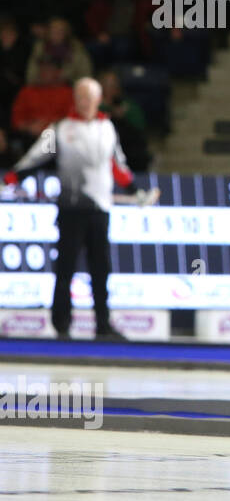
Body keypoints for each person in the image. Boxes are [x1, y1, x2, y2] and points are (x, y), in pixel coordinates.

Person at [4, 76, 134, 339]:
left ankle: (103, 324)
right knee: (66, 268)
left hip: (100, 209)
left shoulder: (107, 127)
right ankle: (61, 325)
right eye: (80, 96)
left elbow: (118, 166)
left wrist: (134, 190)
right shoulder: (61, 128)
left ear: (98, 100)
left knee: (101, 269)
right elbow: (34, 159)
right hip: (71, 209)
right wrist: (10, 179)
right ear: (75, 99)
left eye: (89, 97)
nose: (85, 102)